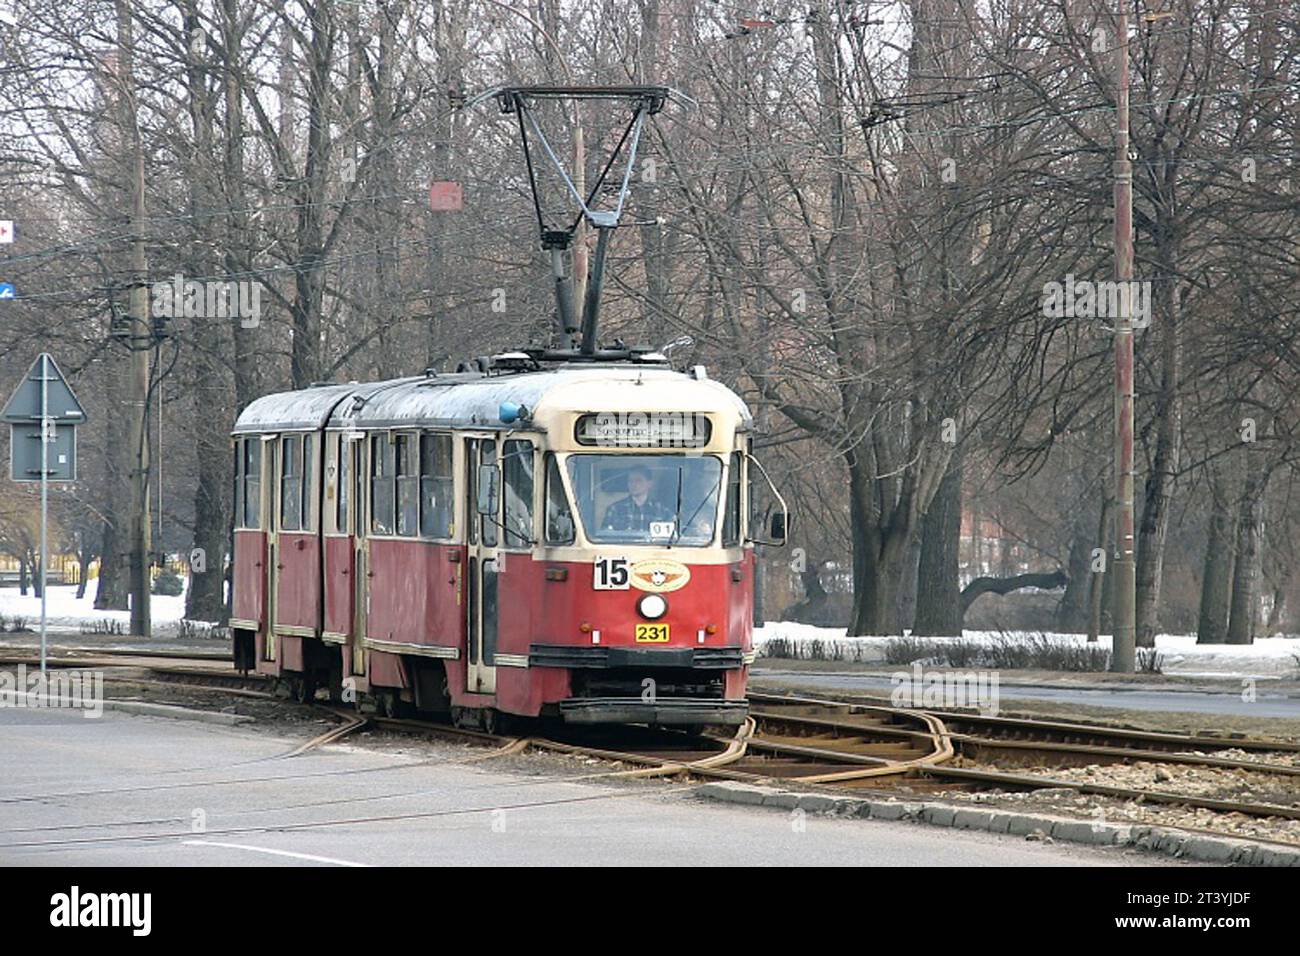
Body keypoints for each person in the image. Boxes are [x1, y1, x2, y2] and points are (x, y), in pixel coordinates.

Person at [600, 465, 673, 533]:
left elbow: (670, 538)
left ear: (650, 484)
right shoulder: (615, 509)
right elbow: (604, 535)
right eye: (630, 480)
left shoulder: (662, 511)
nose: (634, 484)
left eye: (638, 480)